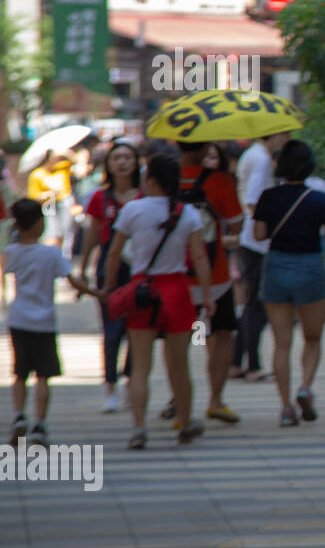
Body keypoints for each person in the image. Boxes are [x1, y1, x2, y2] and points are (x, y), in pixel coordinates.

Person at [105, 154, 212, 450]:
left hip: (141, 291)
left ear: (150, 180)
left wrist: (109, 286)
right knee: (179, 365)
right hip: (176, 291)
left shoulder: (132, 209)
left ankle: (139, 428)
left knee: (140, 365)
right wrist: (205, 297)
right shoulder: (187, 213)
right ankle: (186, 423)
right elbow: (200, 257)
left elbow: (114, 252)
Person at [253, 141, 325, 427]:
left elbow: (259, 235)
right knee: (312, 337)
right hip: (309, 268)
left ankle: (285, 408)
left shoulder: (268, 196)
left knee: (281, 343)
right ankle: (305, 388)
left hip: (276, 268)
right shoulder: (318, 197)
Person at [5, 199, 99, 447]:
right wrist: (97, 294)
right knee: (44, 375)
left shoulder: (11, 252)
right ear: (40, 223)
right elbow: (73, 282)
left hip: (18, 319)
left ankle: (18, 415)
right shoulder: (51, 253)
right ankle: (40, 424)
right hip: (44, 322)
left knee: (19, 372)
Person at [177, 140, 245, 426]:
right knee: (222, 334)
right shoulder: (221, 181)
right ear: (205, 149)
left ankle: (180, 407)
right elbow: (237, 223)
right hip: (215, 277)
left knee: (176, 341)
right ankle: (215, 400)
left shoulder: (163, 179)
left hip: (175, 274)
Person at [78, 140, 141, 414]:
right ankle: (110, 387)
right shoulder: (99, 198)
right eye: (117, 158)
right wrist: (82, 268)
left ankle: (131, 380)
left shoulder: (145, 196)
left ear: (136, 163)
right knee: (112, 329)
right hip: (109, 267)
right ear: (109, 165)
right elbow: (92, 233)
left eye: (128, 157)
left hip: (138, 266)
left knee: (138, 329)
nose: (123, 162)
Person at [231, 130, 290, 381]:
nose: (286, 140)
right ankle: (252, 365)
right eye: (285, 134)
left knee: (253, 303)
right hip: (258, 240)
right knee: (257, 304)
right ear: (274, 135)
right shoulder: (262, 160)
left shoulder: (254, 154)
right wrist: (267, 229)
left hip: (252, 238)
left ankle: (237, 362)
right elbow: (254, 201)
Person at [27, 150, 74, 249]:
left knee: (65, 232)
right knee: (50, 233)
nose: (56, 160)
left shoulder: (62, 168)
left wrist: (64, 152)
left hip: (64, 202)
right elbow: (33, 196)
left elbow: (74, 160)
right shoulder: (37, 174)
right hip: (48, 204)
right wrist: (49, 194)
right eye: (54, 158)